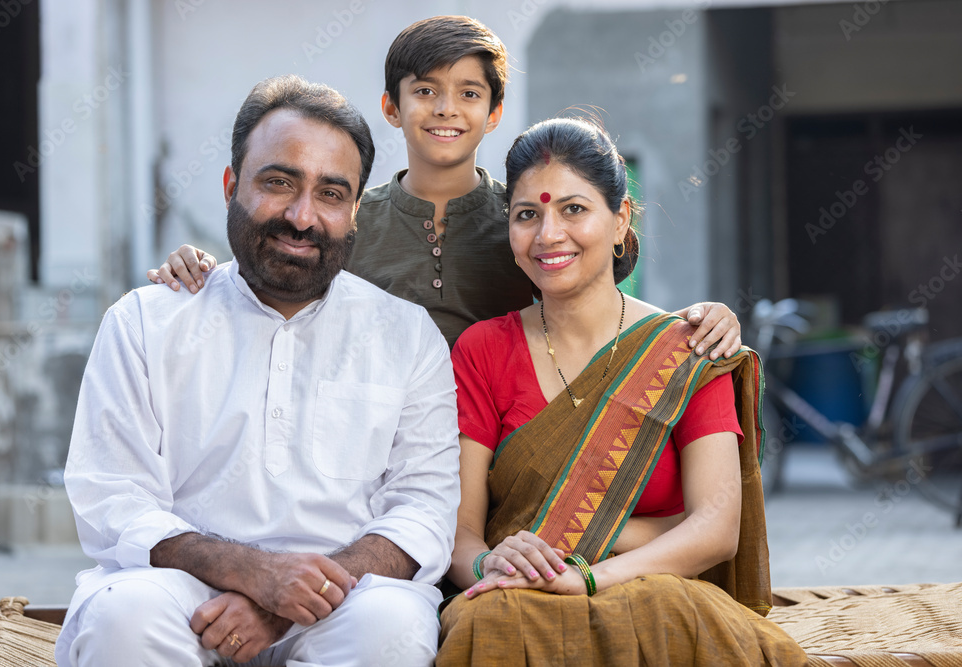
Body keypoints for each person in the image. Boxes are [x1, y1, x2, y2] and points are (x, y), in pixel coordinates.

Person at [56, 75, 460, 667]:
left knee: (393, 628)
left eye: (330, 194)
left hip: (344, 601)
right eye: (278, 183)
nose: (302, 216)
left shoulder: (405, 334)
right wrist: (252, 573)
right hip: (182, 591)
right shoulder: (148, 320)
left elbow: (423, 509)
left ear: (354, 212)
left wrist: (291, 597)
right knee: (124, 616)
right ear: (230, 186)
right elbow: (111, 495)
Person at [436, 117, 808, 665]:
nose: (548, 235)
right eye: (527, 215)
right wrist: (493, 563)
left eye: (574, 209)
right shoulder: (482, 350)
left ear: (620, 220)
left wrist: (587, 575)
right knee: (486, 619)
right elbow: (461, 533)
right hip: (521, 595)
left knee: (659, 610)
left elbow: (716, 527)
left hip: (657, 592)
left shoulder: (688, 349)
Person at [148, 15, 743, 357]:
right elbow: (278, 277)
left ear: (494, 111)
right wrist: (199, 269)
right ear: (391, 105)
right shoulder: (347, 220)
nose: (445, 110)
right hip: (375, 457)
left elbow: (595, 307)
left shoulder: (527, 228)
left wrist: (699, 320)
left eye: (469, 93)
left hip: (509, 453)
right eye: (425, 90)